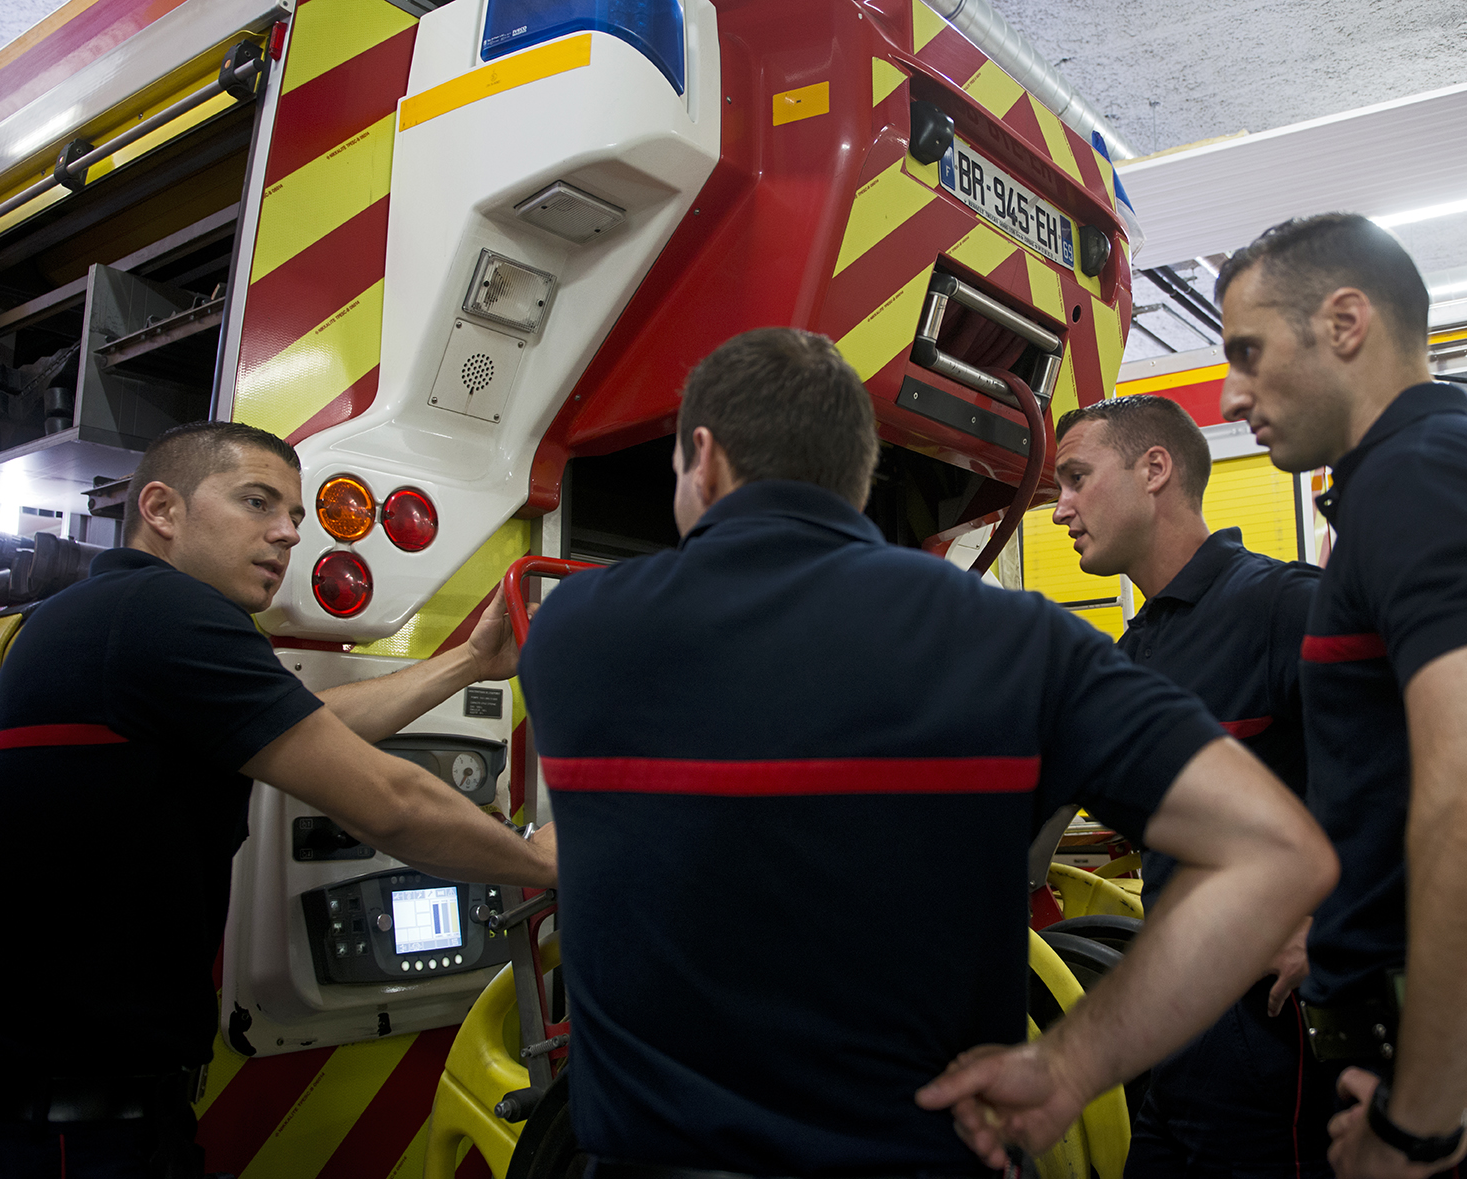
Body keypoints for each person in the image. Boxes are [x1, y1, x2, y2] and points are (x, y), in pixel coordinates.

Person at [928, 214, 1467, 1179]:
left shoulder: (1422, 482)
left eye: (1249, 353)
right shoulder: (1421, 490)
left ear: (1346, 322)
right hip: (1461, 1073)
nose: (1232, 394)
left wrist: (1416, 1123)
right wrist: (1070, 1068)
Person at [517, 327, 1337, 1179]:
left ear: (703, 456)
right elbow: (1278, 850)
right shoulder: (1024, 644)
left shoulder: (572, 634)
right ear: (858, 472)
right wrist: (1069, 1067)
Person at [0, 421, 557, 1178]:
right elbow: (390, 802)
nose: (287, 532)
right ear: (161, 507)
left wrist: (469, 664)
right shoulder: (168, 614)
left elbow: (311, 726)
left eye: (293, 514)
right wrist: (539, 862)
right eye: (258, 502)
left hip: (20, 1114)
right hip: (64, 1137)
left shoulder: (102, 617)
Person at [1050, 394, 1327, 1176]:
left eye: (1076, 477)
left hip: (1269, 1033)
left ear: (1154, 469)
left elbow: (1429, 764)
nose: (1061, 507)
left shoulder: (1281, 605)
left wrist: (1337, 917)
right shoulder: (1140, 646)